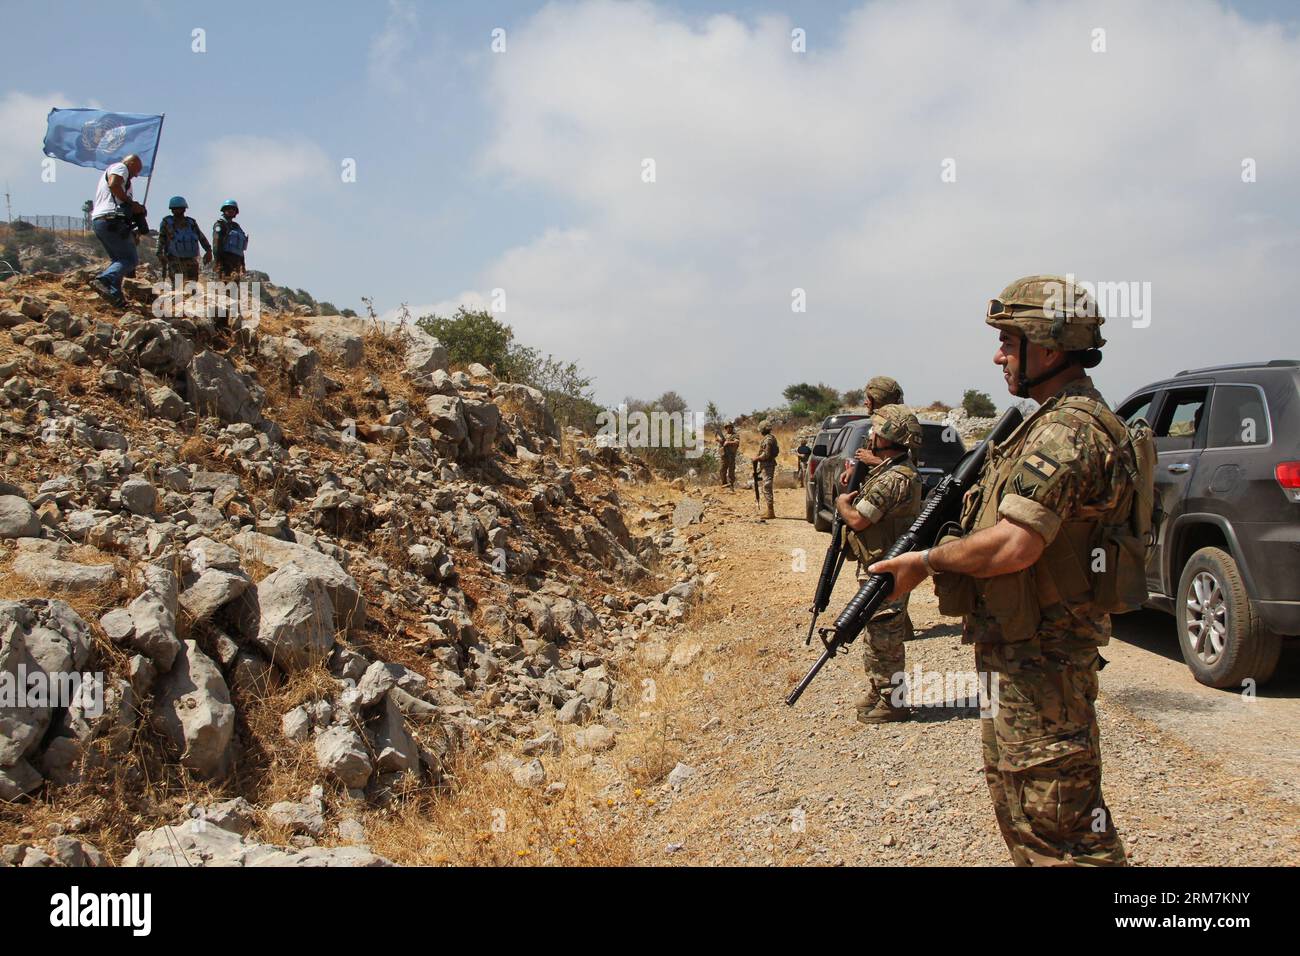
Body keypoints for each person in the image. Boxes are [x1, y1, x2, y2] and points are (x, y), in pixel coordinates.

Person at [868, 274, 1130, 866]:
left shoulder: (1070, 429)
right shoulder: (1045, 422)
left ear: (1050, 345)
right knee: (1026, 817)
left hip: (1045, 662)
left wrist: (926, 561)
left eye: (1010, 341)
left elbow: (1015, 545)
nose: (999, 354)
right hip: (1022, 656)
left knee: (1061, 832)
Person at [834, 405, 923, 723]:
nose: (871, 436)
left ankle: (893, 700)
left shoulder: (894, 478)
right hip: (882, 564)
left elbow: (859, 519)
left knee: (886, 635)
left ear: (888, 439)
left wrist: (842, 505)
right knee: (876, 631)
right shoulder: (895, 471)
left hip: (887, 568)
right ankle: (879, 689)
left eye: (876, 431)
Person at [87, 153, 145, 307]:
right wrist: (132, 204)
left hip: (103, 221)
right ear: (130, 163)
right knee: (130, 260)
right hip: (110, 219)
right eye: (137, 170)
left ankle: (116, 297)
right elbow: (114, 185)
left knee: (119, 260)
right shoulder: (121, 168)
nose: (137, 175)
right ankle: (103, 280)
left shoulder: (125, 179)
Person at [841, 374, 906, 487]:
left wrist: (874, 460)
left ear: (879, 399)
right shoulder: (877, 426)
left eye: (869, 398)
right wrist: (855, 470)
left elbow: (907, 468)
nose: (865, 403)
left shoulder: (901, 429)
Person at [156, 196, 212, 286]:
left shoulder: (191, 223)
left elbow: (201, 237)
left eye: (180, 208)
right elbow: (161, 239)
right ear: (172, 210)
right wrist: (159, 253)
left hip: (191, 260)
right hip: (174, 259)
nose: (177, 210)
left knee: (192, 287)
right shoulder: (167, 222)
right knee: (178, 287)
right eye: (175, 209)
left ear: (184, 209)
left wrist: (208, 250)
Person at [212, 199, 249, 280]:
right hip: (224, 262)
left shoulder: (237, 227)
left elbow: (240, 248)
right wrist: (217, 262)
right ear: (224, 210)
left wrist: (243, 265)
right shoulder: (220, 224)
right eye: (228, 208)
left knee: (234, 289)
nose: (231, 210)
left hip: (236, 263)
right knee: (223, 287)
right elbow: (216, 244)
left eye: (233, 209)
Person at [754, 421, 779, 519]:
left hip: (768, 465)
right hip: (767, 465)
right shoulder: (770, 438)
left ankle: (770, 512)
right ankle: (769, 510)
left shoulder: (768, 439)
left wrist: (757, 458)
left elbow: (767, 454)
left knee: (767, 487)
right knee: (766, 486)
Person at [717, 423, 740, 490]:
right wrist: (719, 440)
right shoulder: (724, 435)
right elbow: (717, 438)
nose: (729, 428)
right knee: (722, 469)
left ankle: (731, 485)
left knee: (731, 471)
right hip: (724, 455)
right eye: (727, 427)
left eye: (730, 427)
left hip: (731, 455)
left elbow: (736, 442)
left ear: (732, 428)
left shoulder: (735, 435)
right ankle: (724, 483)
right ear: (726, 428)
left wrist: (728, 442)